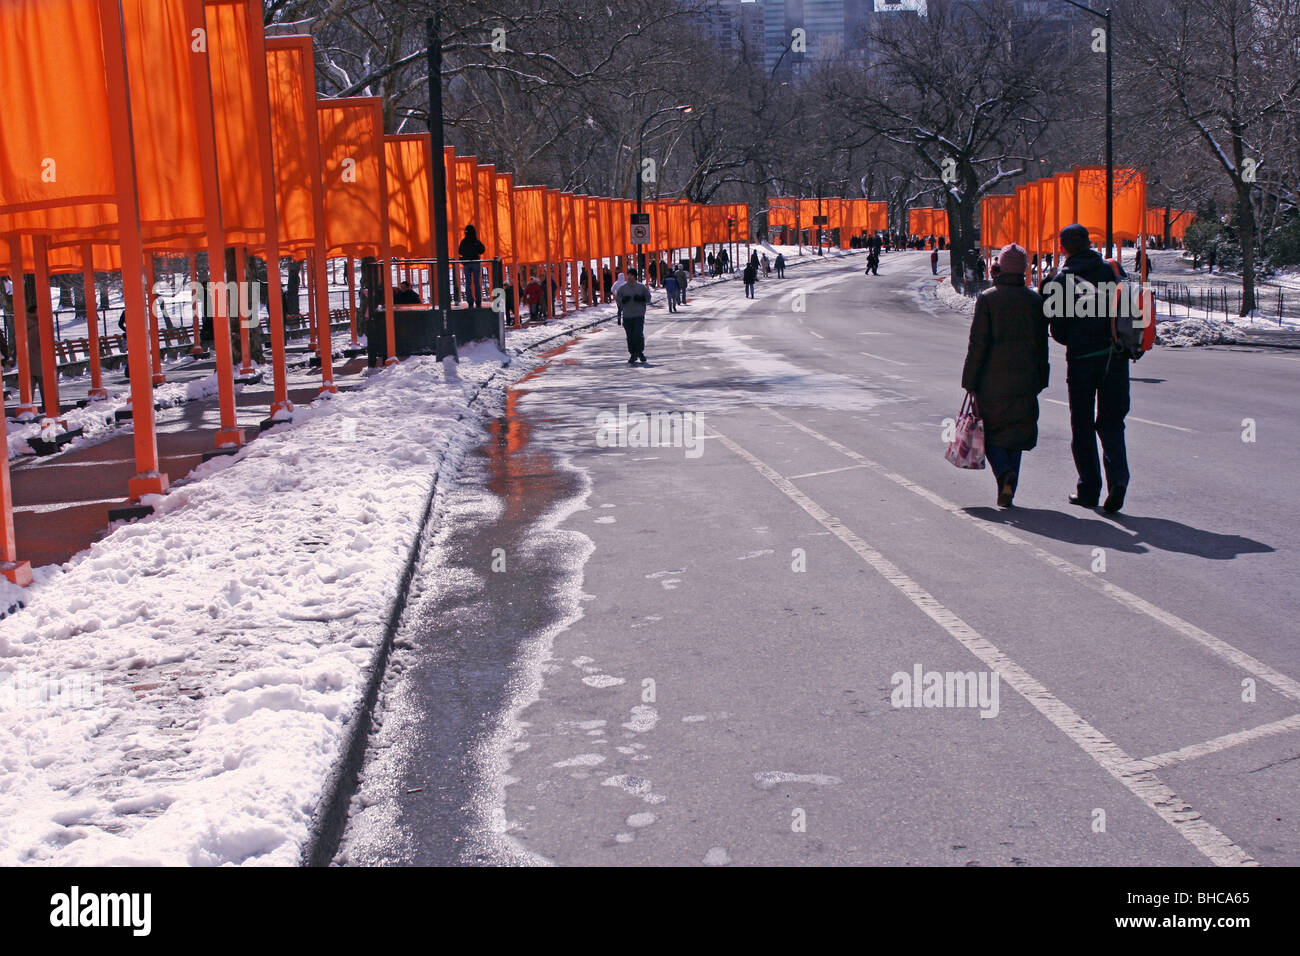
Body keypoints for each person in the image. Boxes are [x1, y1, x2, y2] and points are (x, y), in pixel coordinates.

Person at [1042, 223, 1131, 513]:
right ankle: (1118, 479)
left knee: (1082, 425)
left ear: (1064, 247)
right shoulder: (1113, 271)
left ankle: (1089, 489)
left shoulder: (1062, 280)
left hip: (1081, 361)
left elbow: (1058, 331)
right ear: (1089, 243)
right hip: (1115, 358)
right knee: (1112, 422)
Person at [960, 244, 1049, 508]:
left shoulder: (988, 299)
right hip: (1026, 378)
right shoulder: (1035, 301)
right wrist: (1041, 376)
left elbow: (978, 343)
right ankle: (1010, 485)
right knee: (1017, 432)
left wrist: (970, 380)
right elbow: (1041, 343)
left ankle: (1003, 475)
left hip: (991, 379)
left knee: (993, 432)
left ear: (1000, 268)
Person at [617, 268, 651, 365]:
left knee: (638, 334)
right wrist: (623, 300)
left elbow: (648, 298)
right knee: (630, 336)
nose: (629, 277)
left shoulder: (641, 287)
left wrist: (641, 299)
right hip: (627, 316)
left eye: (631, 275)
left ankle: (640, 352)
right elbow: (618, 300)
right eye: (628, 275)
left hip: (638, 315)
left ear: (635, 277)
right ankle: (633, 354)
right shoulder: (622, 288)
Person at [457, 224, 486, 308]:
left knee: (468, 283)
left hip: (467, 263)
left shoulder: (464, 241)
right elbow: (482, 250)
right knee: (477, 283)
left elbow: (460, 251)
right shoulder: (476, 241)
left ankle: (470, 302)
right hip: (476, 263)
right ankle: (478, 302)